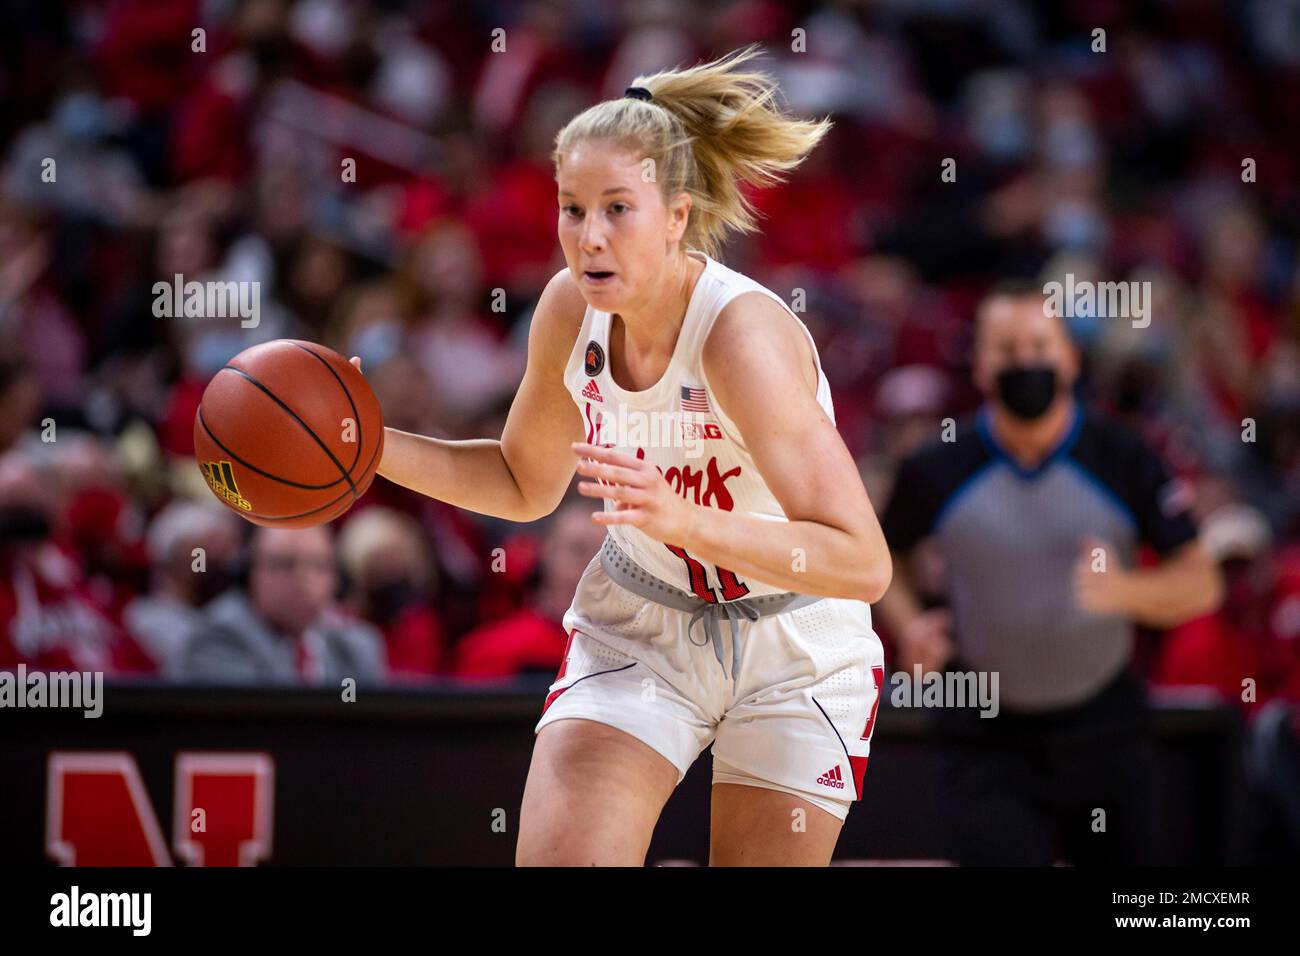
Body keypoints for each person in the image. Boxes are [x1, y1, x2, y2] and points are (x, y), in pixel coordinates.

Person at [353, 46, 891, 866]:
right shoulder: (569, 309)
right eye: (571, 209)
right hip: (643, 622)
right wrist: (370, 449)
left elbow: (861, 562)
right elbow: (523, 481)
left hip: (795, 639)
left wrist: (690, 521)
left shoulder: (740, 340)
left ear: (677, 215)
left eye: (616, 209)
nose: (588, 236)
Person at [875, 282, 1224, 865]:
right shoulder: (939, 465)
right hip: (984, 735)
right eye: (1007, 350)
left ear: (1070, 358)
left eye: (1039, 346)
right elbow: (877, 556)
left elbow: (1202, 581)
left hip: (1105, 728)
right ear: (982, 367)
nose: (1025, 362)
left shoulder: (1122, 455)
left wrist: (1125, 590)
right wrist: (910, 625)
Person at [177, 524, 386, 685]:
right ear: (249, 573)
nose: (303, 582)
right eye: (284, 564)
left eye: (319, 566)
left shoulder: (356, 645)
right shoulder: (216, 638)